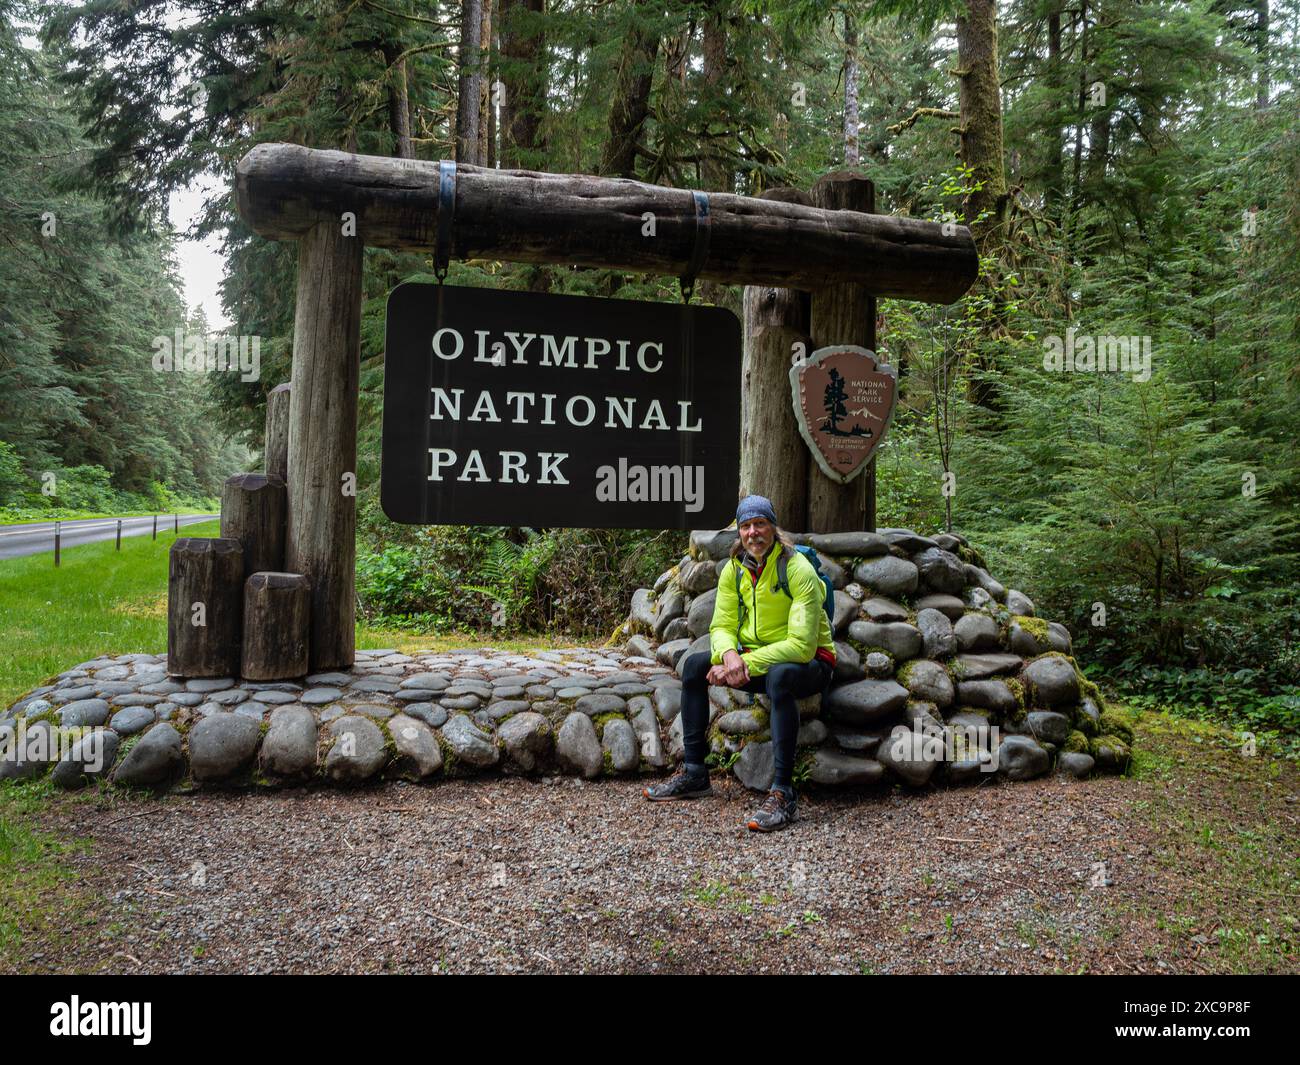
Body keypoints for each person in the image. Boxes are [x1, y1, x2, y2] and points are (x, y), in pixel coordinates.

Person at [644, 494, 836, 831]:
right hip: (754, 658)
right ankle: (694, 773)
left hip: (810, 665)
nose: (752, 532)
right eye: (745, 526)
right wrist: (729, 655)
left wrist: (744, 664)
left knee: (779, 677)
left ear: (773, 528)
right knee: (693, 667)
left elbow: (803, 647)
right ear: (739, 533)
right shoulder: (735, 569)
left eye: (760, 524)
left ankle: (782, 793)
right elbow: (721, 625)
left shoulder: (797, 569)